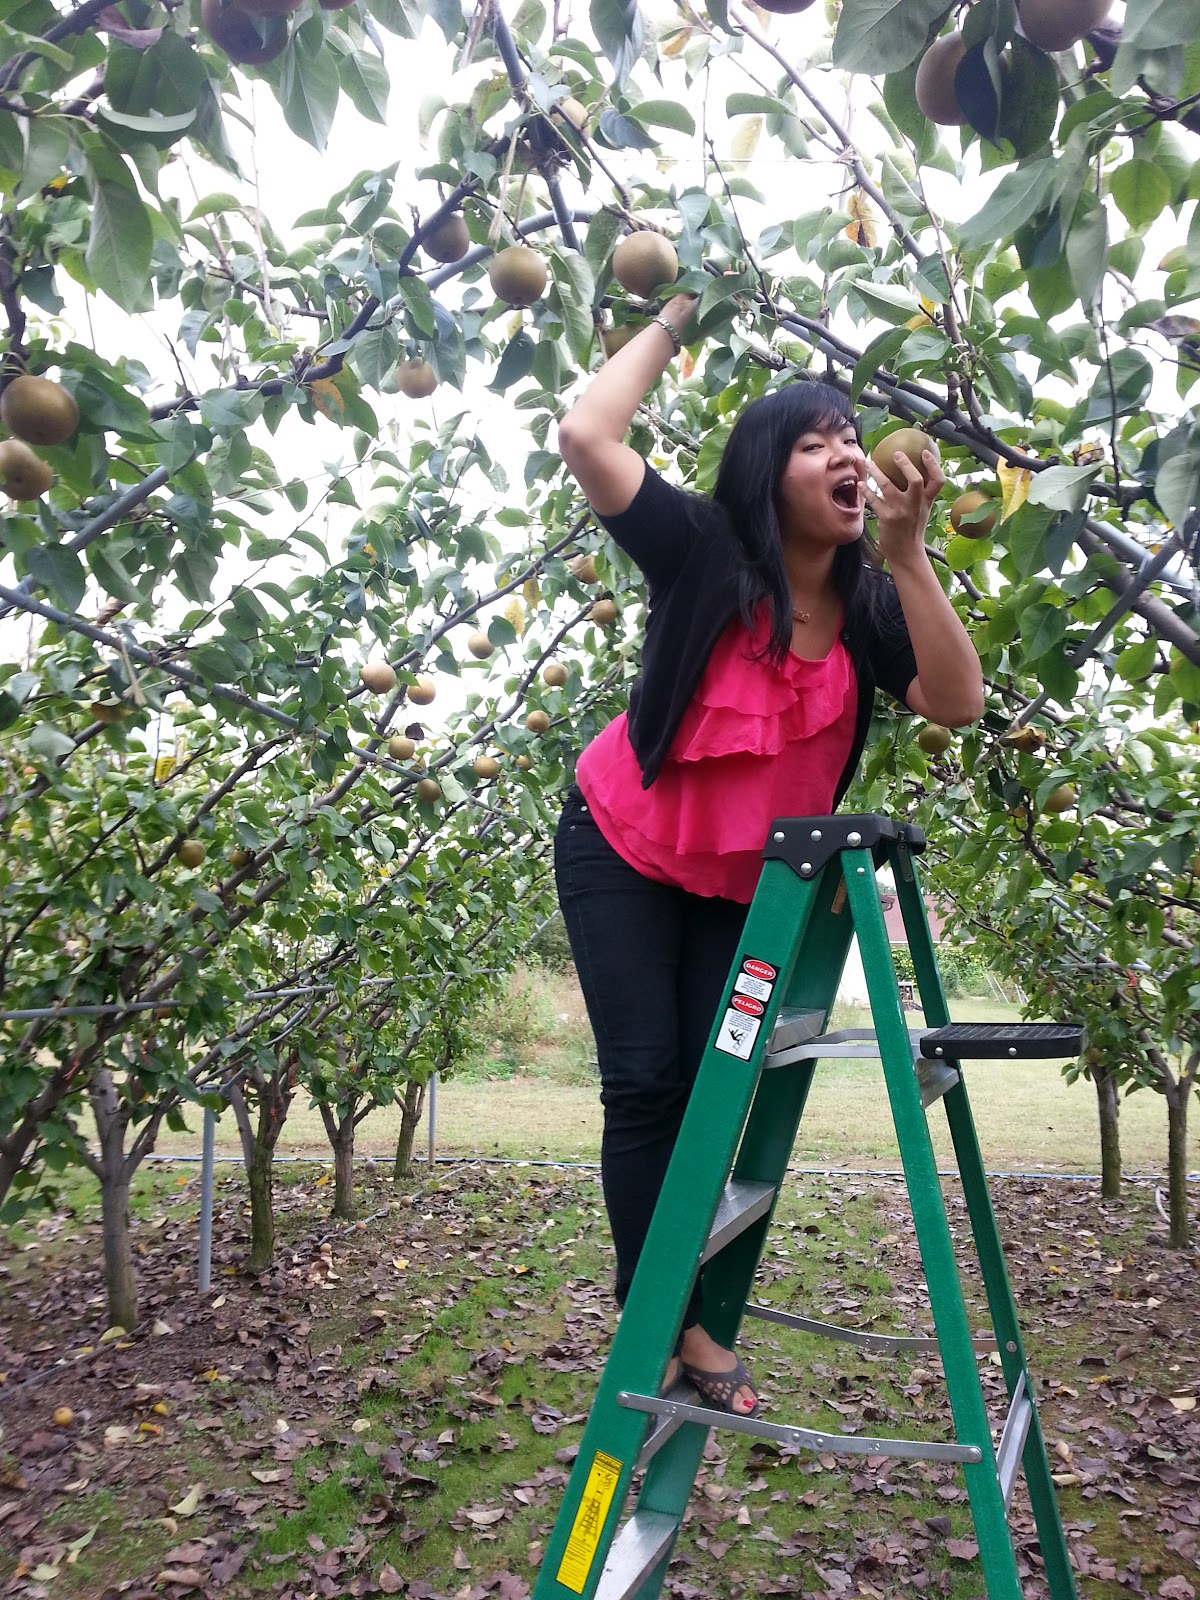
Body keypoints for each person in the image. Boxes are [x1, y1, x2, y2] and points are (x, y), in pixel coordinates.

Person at [554, 293, 984, 1418]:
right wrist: (677, 309)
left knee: (712, 1094)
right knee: (645, 1080)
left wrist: (909, 554)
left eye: (852, 437)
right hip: (621, 846)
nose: (847, 453)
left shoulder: (869, 604)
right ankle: (662, 1322)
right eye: (814, 441)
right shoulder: (703, 550)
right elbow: (587, 435)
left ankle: (670, 1310)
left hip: (735, 887)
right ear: (765, 470)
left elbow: (957, 700)